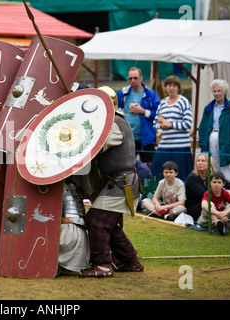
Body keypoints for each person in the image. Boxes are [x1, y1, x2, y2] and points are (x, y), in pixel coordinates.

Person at [79, 86, 143, 278]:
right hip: (116, 182)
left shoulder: (115, 122)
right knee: (111, 226)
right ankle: (130, 261)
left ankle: (103, 265)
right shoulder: (108, 122)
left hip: (120, 183)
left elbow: (96, 146)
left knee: (96, 221)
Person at [198, 79, 230, 183]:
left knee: (226, 174)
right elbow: (202, 127)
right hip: (210, 143)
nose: (216, 93)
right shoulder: (208, 108)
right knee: (211, 171)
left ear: (225, 91)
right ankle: (212, 197)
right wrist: (202, 143)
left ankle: (229, 197)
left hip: (226, 144)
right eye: (214, 91)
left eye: (219, 91)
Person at [151, 75, 193, 181]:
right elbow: (155, 122)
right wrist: (161, 125)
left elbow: (188, 123)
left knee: (180, 174)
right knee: (156, 169)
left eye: (174, 86)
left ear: (178, 87)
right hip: (164, 144)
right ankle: (158, 194)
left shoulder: (183, 102)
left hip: (180, 146)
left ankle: (182, 196)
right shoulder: (162, 103)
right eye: (169, 85)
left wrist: (170, 125)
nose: (171, 88)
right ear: (165, 87)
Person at [117, 67, 160, 167]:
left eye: (135, 78)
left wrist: (143, 111)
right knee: (126, 166)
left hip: (146, 138)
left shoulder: (150, 94)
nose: (133, 80)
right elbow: (114, 110)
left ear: (141, 78)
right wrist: (119, 112)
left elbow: (158, 114)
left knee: (148, 166)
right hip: (127, 137)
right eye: (130, 78)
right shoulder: (122, 93)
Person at [197, 171, 230, 238]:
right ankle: (218, 225)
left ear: (223, 184)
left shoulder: (225, 193)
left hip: (223, 219)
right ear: (210, 183)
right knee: (210, 204)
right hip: (207, 221)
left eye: (219, 182)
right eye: (214, 182)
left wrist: (225, 213)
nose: (216, 184)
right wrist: (218, 213)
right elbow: (203, 205)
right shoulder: (207, 193)